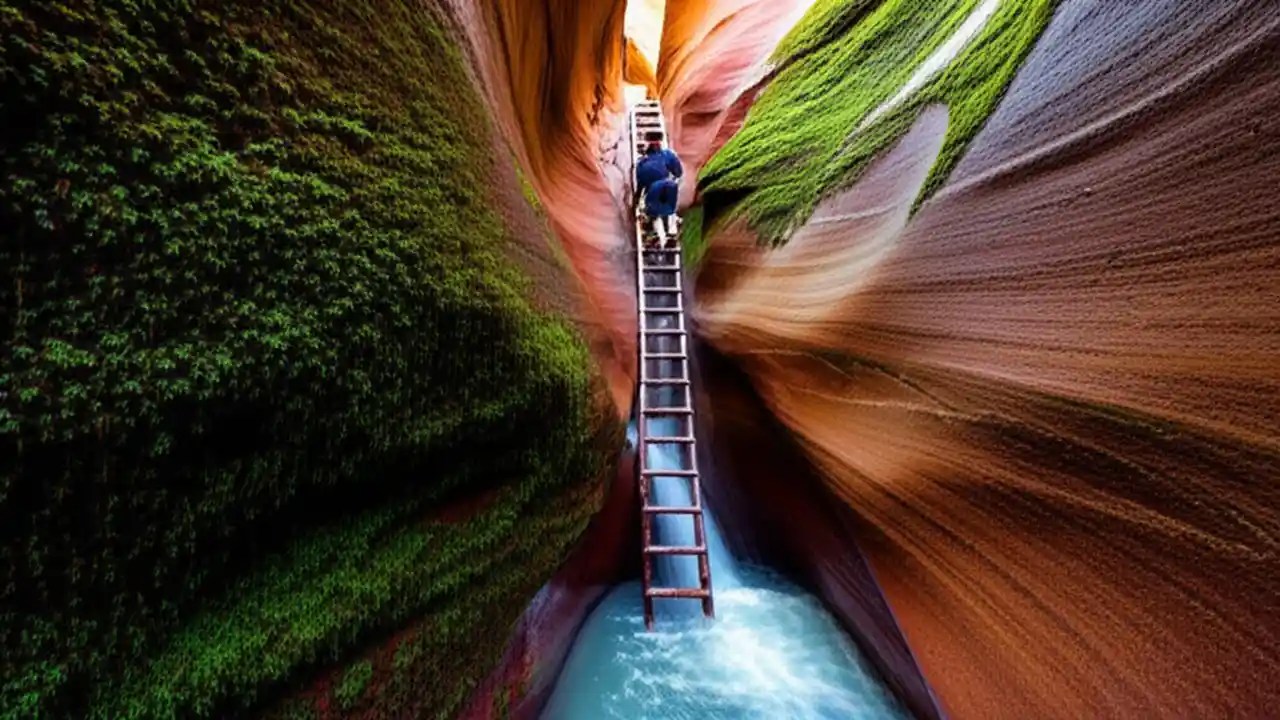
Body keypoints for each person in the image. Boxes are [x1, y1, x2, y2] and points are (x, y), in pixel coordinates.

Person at [643, 177, 680, 247]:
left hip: (661, 202)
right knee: (666, 215)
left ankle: (658, 235)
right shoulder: (671, 186)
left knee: (658, 216)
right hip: (666, 203)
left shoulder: (655, 187)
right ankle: (667, 233)